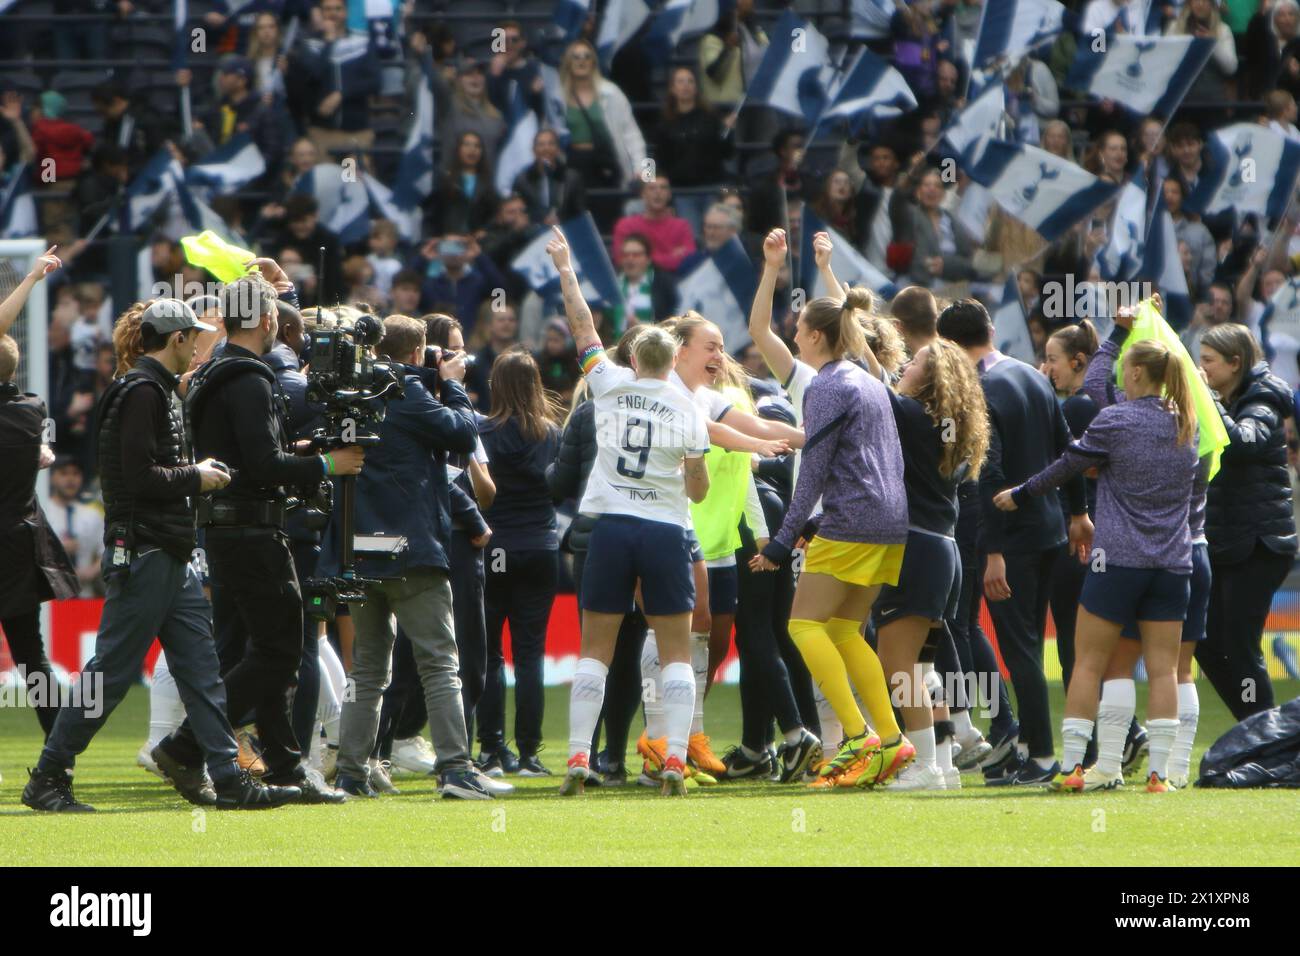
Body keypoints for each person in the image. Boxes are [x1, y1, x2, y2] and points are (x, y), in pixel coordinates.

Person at [24, 298, 297, 813]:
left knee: (202, 672)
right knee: (110, 674)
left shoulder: (153, 389)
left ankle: (228, 778)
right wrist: (198, 476)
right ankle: (48, 775)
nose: (199, 342)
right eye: (193, 335)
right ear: (175, 340)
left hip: (169, 551)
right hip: (147, 551)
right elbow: (137, 476)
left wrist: (193, 474)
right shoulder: (144, 393)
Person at [163, 270, 363, 804]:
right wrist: (327, 462)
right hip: (253, 530)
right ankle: (186, 745)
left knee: (264, 651)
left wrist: (301, 451)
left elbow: (251, 455)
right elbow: (263, 464)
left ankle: (284, 765)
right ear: (269, 319)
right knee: (279, 651)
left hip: (229, 528)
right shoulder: (249, 379)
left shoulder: (216, 373)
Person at [545, 227, 711, 798]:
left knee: (596, 647)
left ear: (634, 357)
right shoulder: (690, 410)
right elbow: (698, 491)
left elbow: (584, 328)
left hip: (610, 528)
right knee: (675, 653)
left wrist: (568, 270)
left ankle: (575, 756)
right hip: (666, 532)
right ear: (672, 362)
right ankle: (671, 758)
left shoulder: (609, 385)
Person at [995, 332, 1200, 794]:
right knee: (1165, 669)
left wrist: (1020, 494)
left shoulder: (1115, 421)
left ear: (1135, 372)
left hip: (1116, 561)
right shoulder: (1186, 421)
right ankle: (1159, 775)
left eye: (1121, 366)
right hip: (1172, 563)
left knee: (1090, 664)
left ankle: (1072, 767)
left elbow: (1065, 465)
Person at [748, 258, 912, 790]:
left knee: (802, 626)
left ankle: (858, 734)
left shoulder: (825, 387)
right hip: (891, 521)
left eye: (797, 330)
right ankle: (891, 741)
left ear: (817, 336)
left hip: (853, 519)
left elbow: (812, 475)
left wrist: (780, 541)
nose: (793, 337)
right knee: (842, 629)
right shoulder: (865, 379)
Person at [321, 315, 494, 801]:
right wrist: (454, 386)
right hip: (410, 550)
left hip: (359, 548)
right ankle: (456, 769)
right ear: (418, 353)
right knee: (440, 662)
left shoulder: (346, 394)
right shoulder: (405, 393)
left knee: (368, 670)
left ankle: (353, 773)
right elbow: (462, 434)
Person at [939, 299, 1092, 786]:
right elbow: (1070, 452)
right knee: (1028, 643)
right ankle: (1028, 745)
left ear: (949, 344)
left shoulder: (981, 389)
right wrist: (1077, 512)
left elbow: (991, 477)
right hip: (1050, 531)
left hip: (1015, 539)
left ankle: (1043, 758)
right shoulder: (1030, 374)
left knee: (1020, 649)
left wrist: (995, 552)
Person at [1082, 309, 1212, 790]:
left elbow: (1097, 383)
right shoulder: (1197, 425)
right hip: (1189, 553)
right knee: (1178, 670)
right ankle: (1170, 771)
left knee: (1116, 664)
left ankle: (1108, 767)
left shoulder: (1127, 422)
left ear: (1139, 372)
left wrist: (1117, 333)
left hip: (1133, 553)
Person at [1197, 323, 1297, 720]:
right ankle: (1253, 725)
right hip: (1229, 542)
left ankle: (1264, 731)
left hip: (1260, 544)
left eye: (1208, 362)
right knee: (1204, 641)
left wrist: (1208, 400)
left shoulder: (1264, 398)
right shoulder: (1233, 395)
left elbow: (1241, 443)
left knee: (1239, 644)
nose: (1200, 370)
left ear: (1235, 363)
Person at [0, 248, 78, 757]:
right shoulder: (31, 412)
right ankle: (57, 757)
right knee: (33, 657)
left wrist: (30, 279)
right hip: (16, 548)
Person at [475, 350, 563, 778]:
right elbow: (561, 490)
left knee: (490, 653)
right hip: (542, 547)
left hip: (496, 547)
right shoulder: (551, 433)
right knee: (530, 654)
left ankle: (491, 751)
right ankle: (529, 753)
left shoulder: (482, 431)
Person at [512, 128, 586, 226]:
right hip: (535, 233)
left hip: (565, 232)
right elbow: (520, 214)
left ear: (558, 149)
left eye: (551, 144)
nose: (546, 148)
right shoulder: (523, 180)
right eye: (541, 144)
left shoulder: (571, 178)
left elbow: (580, 214)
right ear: (534, 150)